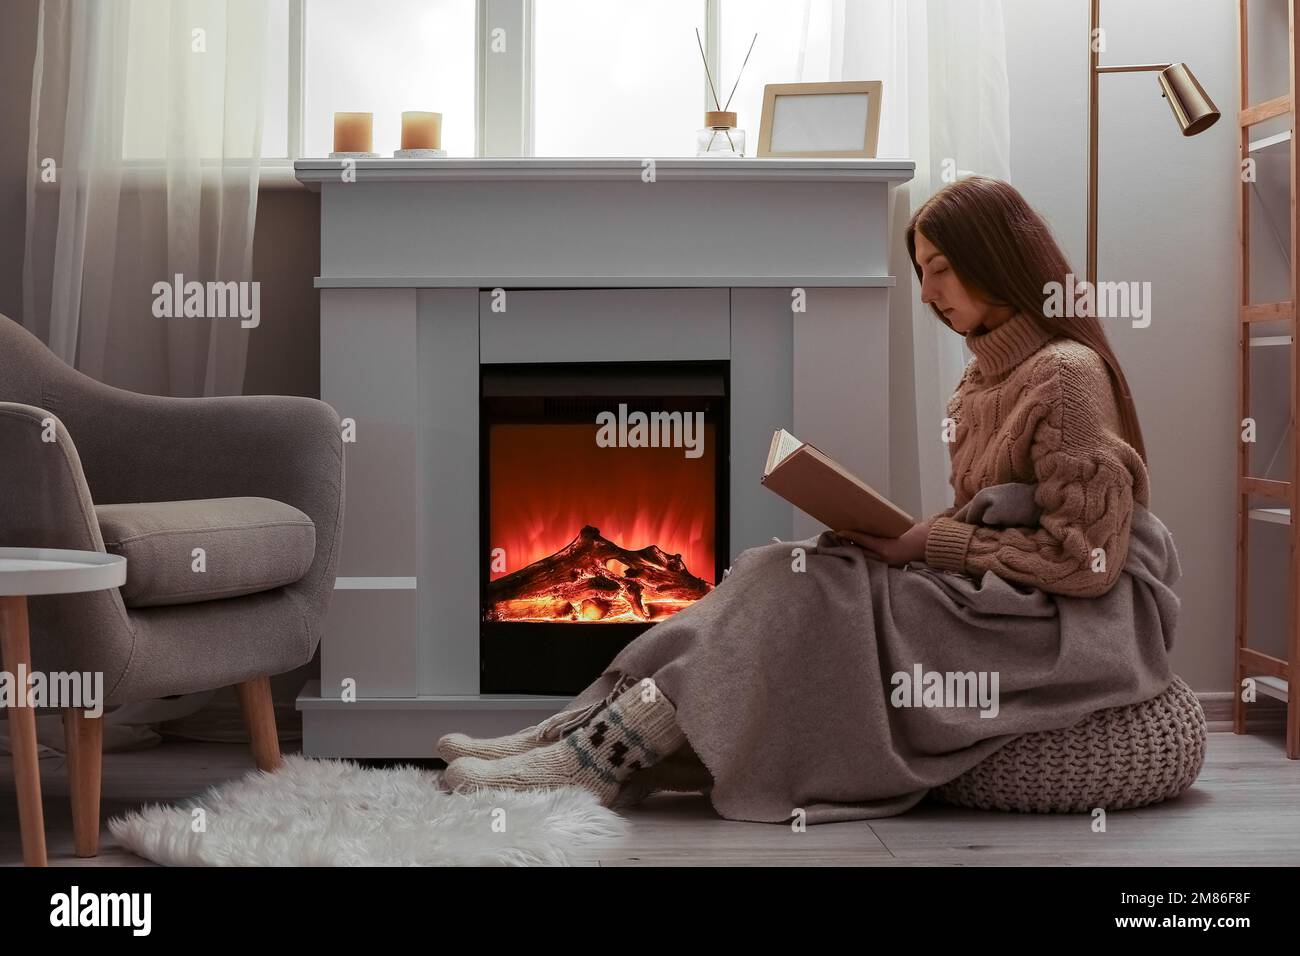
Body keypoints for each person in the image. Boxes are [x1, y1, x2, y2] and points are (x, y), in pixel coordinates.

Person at [440, 176, 1154, 812]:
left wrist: (923, 544)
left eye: (939, 270)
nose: (929, 294)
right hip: (988, 593)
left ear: (993, 257)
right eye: (921, 273)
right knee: (774, 565)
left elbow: (1082, 558)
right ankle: (575, 731)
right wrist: (901, 535)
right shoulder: (979, 382)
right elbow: (990, 521)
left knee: (806, 588)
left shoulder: (1066, 374)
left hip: (1051, 623)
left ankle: (593, 759)